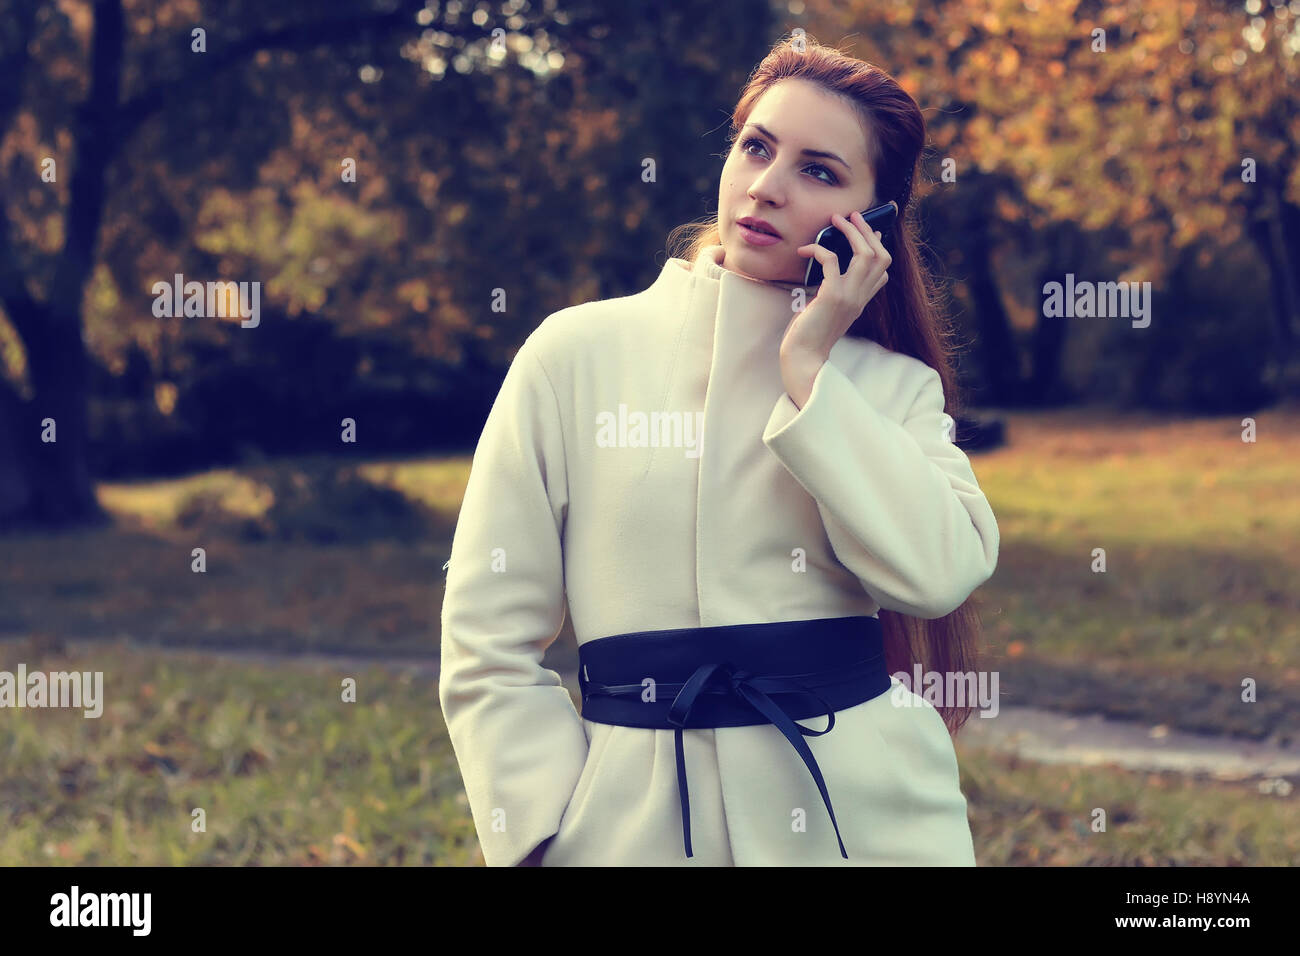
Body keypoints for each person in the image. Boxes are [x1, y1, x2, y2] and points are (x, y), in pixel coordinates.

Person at [438, 35, 1000, 867]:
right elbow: (486, 639)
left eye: (818, 171)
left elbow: (939, 573)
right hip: (634, 831)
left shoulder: (887, 387)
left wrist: (810, 372)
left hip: (867, 828)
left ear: (872, 219)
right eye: (757, 148)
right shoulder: (574, 354)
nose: (767, 187)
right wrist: (544, 835)